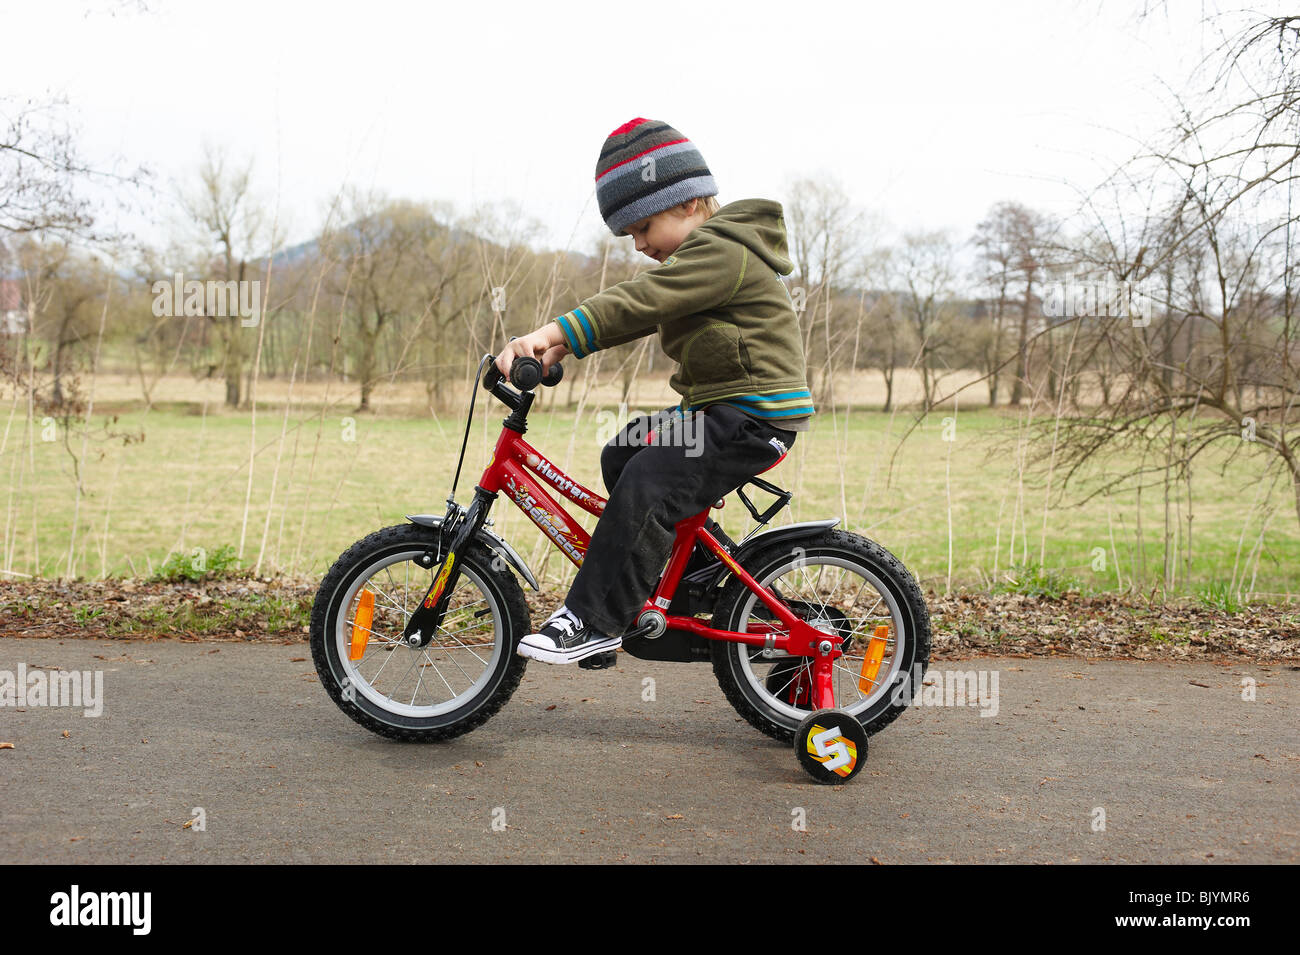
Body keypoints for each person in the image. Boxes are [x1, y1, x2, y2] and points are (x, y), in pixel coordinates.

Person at [494, 117, 815, 665]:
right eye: (631, 236)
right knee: (625, 451)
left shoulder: (723, 251)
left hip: (753, 418)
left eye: (643, 229)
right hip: (721, 412)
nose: (639, 245)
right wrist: (563, 348)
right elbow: (641, 313)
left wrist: (552, 331)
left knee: (649, 477)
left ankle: (592, 621)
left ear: (688, 204)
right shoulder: (702, 256)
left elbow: (643, 300)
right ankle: (692, 587)